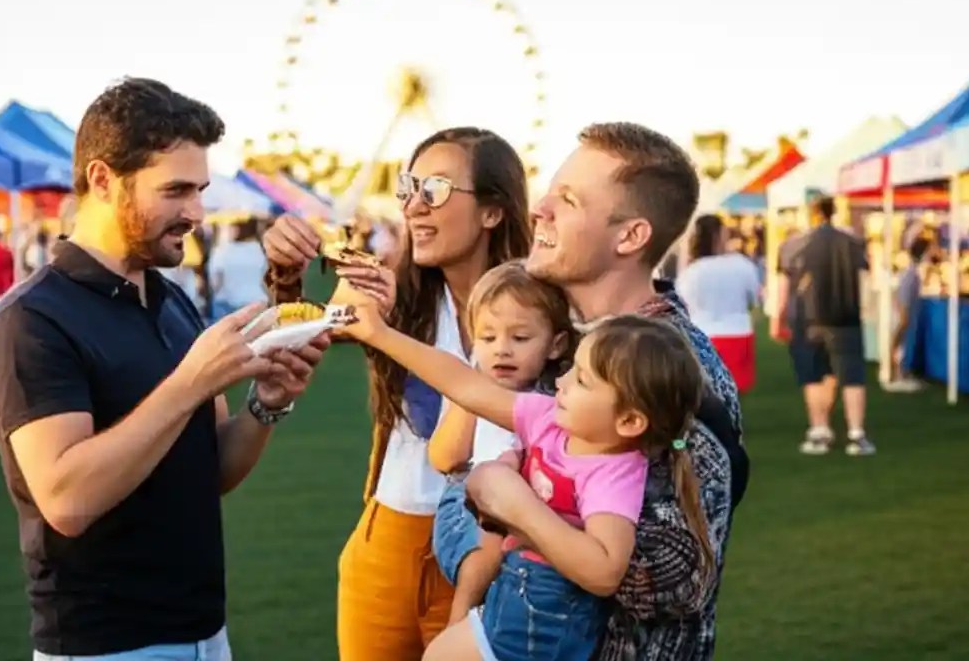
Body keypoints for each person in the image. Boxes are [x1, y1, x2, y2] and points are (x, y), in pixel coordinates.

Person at [0, 78, 329, 661]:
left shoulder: (169, 299)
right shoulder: (32, 321)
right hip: (105, 647)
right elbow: (65, 501)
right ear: (102, 180)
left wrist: (267, 401)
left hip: (205, 634)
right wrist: (192, 381)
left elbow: (212, 467)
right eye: (176, 191)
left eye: (201, 190)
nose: (196, 212)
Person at [465, 122, 746, 660]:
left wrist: (515, 504)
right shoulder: (562, 343)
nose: (540, 208)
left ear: (631, 236)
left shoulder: (678, 370)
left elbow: (681, 577)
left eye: (567, 200)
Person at [261, 127, 532, 660]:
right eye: (409, 188)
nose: (413, 206)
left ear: (492, 212)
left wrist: (389, 336)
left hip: (487, 546)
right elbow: (297, 338)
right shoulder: (392, 287)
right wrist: (286, 275)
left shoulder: (537, 310)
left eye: (434, 189)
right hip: (386, 537)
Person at [343, 305, 710, 661]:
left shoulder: (614, 472)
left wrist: (518, 507)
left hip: (545, 633)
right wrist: (381, 334)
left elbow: (604, 572)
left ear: (629, 422)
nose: (562, 382)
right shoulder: (548, 418)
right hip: (508, 603)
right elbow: (466, 386)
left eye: (581, 379)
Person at [426, 260, 575, 626]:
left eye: (520, 338)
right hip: (471, 501)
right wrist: (473, 392)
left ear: (556, 345)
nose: (502, 350)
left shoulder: (560, 397)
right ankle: (458, 621)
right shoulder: (475, 390)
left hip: (526, 510)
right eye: (487, 338)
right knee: (491, 540)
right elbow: (444, 457)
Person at [782, 194, 875, 456]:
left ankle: (819, 430)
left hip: (808, 321)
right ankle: (856, 434)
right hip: (846, 318)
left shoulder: (795, 244)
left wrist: (780, 317)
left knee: (814, 376)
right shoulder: (852, 242)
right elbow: (866, 277)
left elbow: (785, 284)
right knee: (851, 377)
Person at [677, 214, 762, 393]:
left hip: (702, 335)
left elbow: (682, 305)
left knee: (706, 393)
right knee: (734, 394)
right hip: (738, 333)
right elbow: (755, 299)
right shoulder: (742, 265)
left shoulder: (691, 273)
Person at [887, 235, 933, 392]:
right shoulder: (911, 274)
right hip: (903, 314)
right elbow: (902, 295)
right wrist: (903, 314)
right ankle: (896, 375)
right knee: (898, 343)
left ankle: (900, 374)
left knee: (900, 343)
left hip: (904, 313)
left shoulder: (911, 272)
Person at [208, 219, 267, 319]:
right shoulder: (261, 250)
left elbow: (216, 282)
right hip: (258, 301)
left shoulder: (222, 251)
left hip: (228, 304)